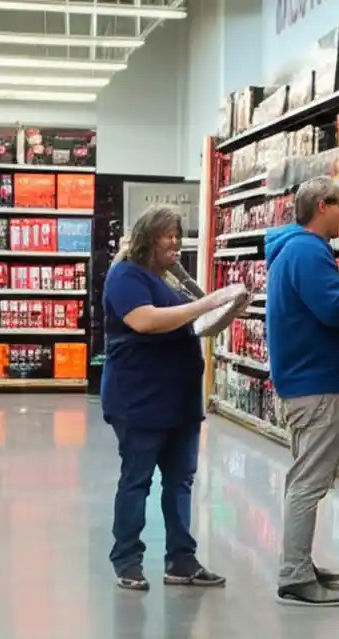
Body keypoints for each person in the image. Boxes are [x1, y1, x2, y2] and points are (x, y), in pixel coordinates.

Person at [102, 206, 241, 591]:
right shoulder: (125, 275)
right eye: (167, 235)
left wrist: (226, 307)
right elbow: (144, 320)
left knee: (180, 481)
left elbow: (189, 322)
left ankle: (182, 560)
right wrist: (208, 302)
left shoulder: (167, 281)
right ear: (147, 238)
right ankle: (127, 560)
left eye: (178, 234)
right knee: (137, 480)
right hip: (140, 400)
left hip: (179, 401)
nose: (176, 242)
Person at [265, 177, 339, 608]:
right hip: (316, 384)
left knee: (302, 476)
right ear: (323, 206)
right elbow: (336, 310)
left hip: (303, 381)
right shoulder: (307, 251)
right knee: (309, 481)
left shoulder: (291, 250)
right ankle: (295, 574)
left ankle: (298, 562)